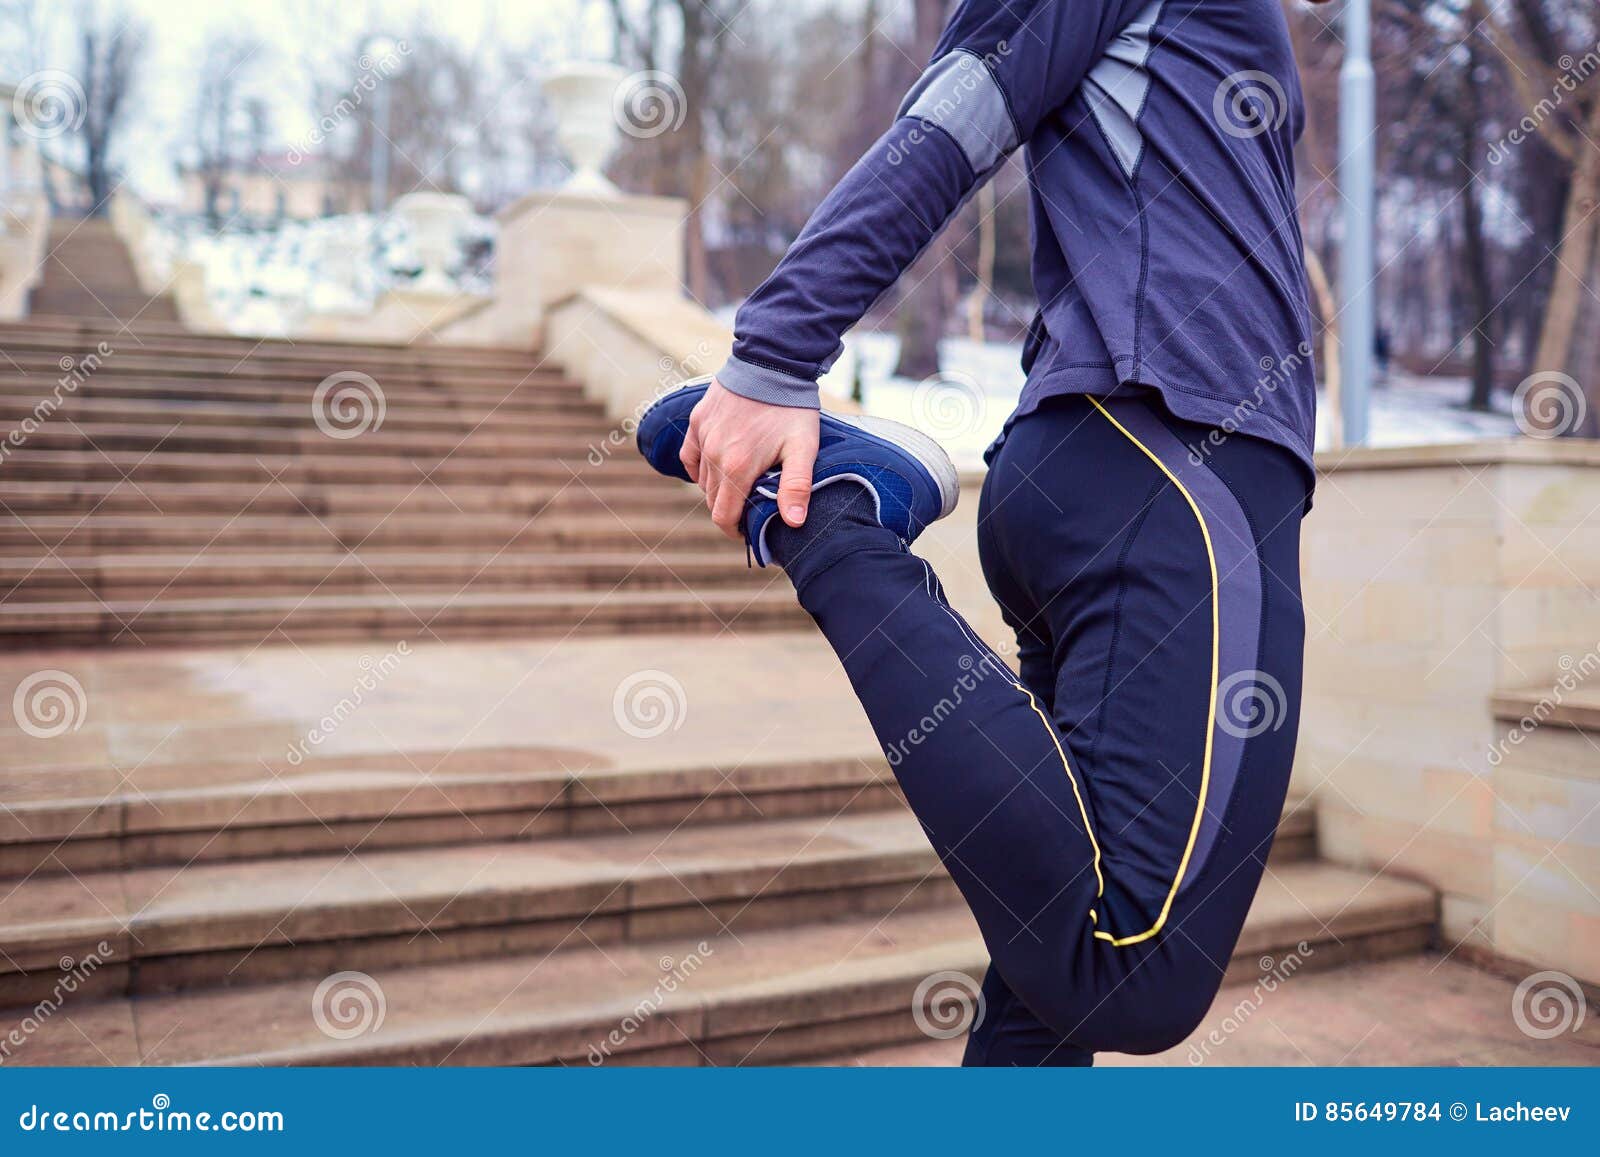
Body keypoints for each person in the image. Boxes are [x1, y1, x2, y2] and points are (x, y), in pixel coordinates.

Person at [638, 0, 1317, 1067]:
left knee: (1049, 978)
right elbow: (956, 116)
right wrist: (774, 355)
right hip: (1170, 457)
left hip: (1145, 465)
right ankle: (839, 517)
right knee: (1130, 968)